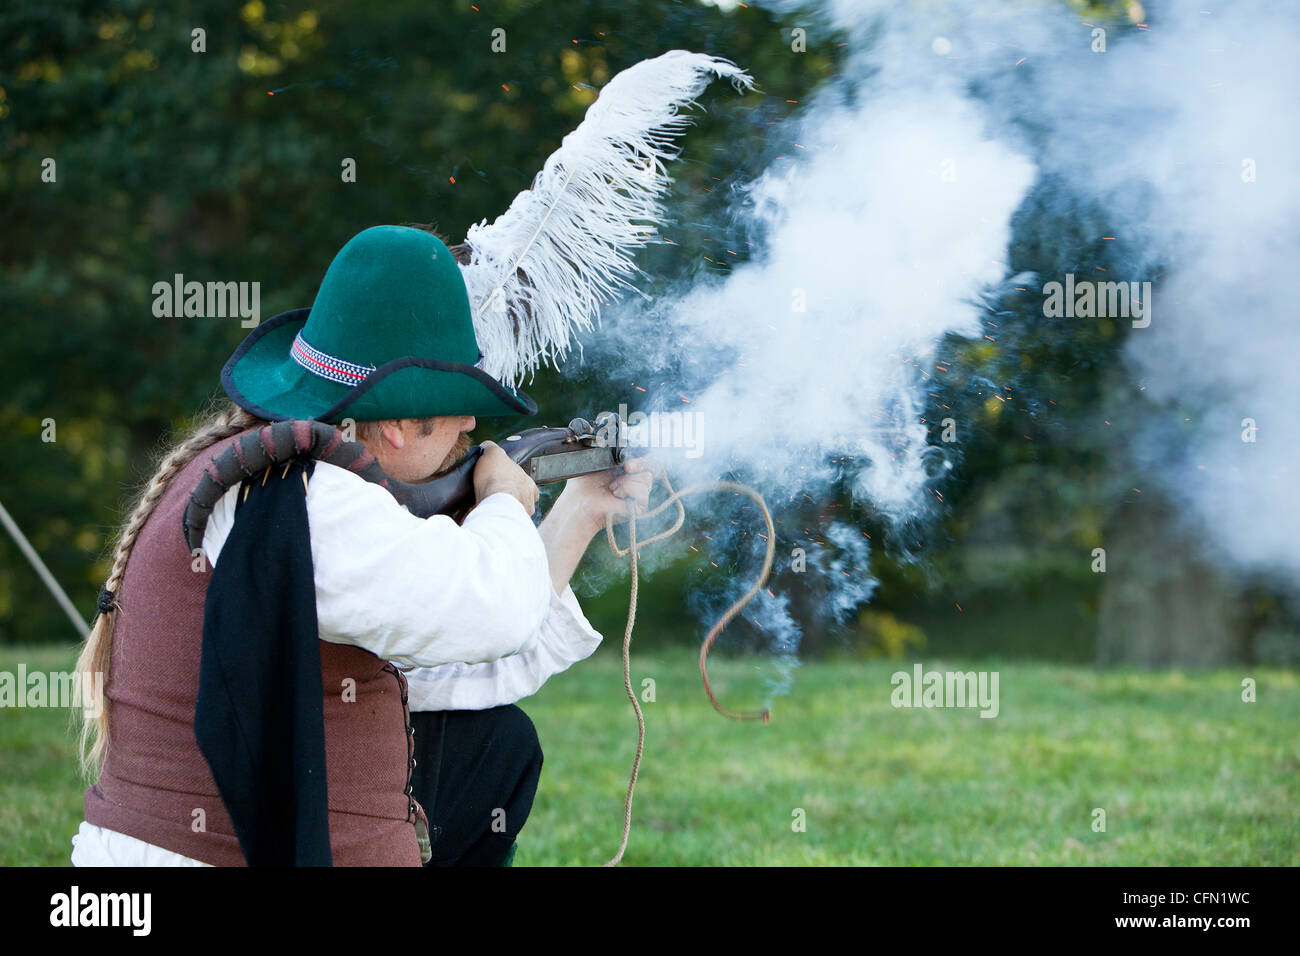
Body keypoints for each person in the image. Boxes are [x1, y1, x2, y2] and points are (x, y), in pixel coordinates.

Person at [70, 224, 651, 866]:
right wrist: (504, 500)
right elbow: (497, 613)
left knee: (492, 745)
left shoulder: (276, 479)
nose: (468, 423)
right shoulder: (318, 503)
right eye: (454, 402)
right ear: (399, 425)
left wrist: (581, 511)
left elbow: (444, 667)